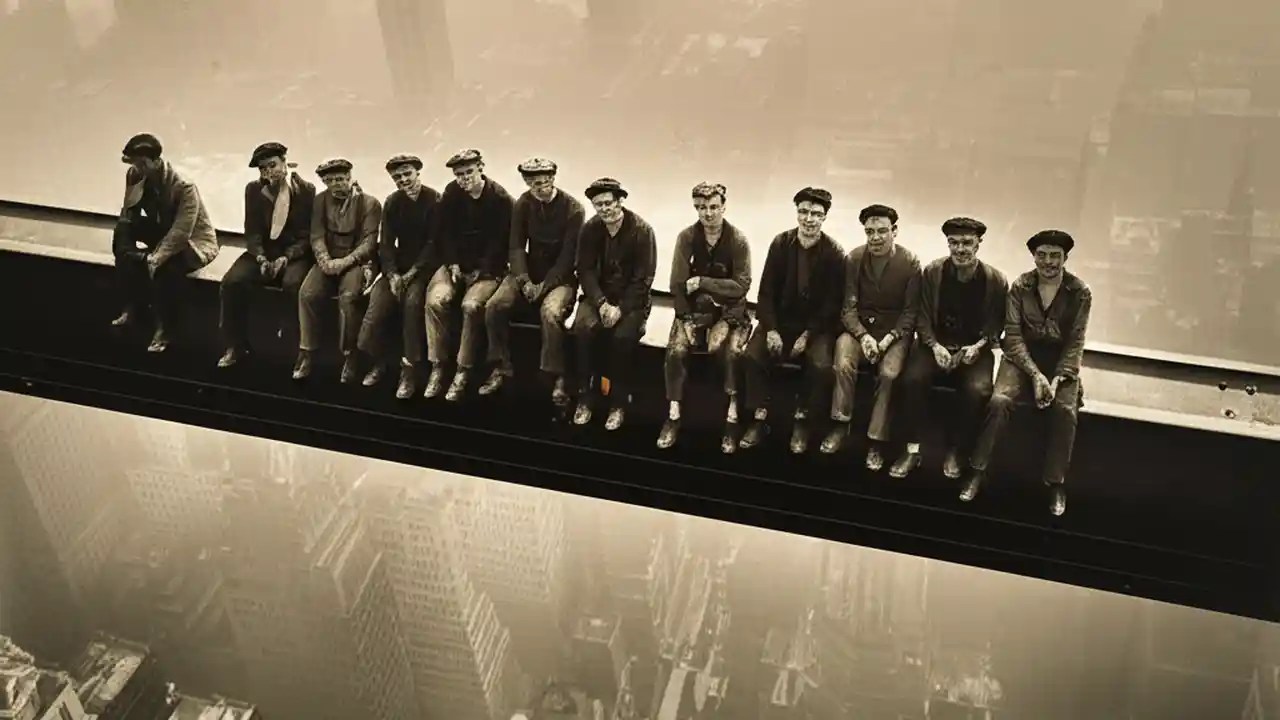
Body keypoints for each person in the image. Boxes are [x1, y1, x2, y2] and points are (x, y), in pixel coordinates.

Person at [963, 229, 1091, 516]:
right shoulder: (1020, 287)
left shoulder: (1080, 292)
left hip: (1059, 362)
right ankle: (977, 470)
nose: (1048, 262)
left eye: (1055, 256)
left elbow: (1076, 341)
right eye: (1042, 255)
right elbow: (1013, 337)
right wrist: (1035, 376)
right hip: (1021, 359)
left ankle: (1055, 482)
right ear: (1033, 257)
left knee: (1066, 410)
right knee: (999, 401)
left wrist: (1056, 379)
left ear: (1065, 258)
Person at [888, 217, 1007, 479]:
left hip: (973, 350)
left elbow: (996, 324)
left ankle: (956, 450)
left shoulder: (996, 280)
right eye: (954, 243)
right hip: (935, 346)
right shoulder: (932, 272)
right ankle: (912, 448)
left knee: (978, 390)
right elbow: (921, 316)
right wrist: (933, 346)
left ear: (979, 244)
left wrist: (977, 346)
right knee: (912, 379)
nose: (960, 249)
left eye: (967, 243)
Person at [738, 187, 844, 454]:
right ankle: (759, 417)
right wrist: (771, 329)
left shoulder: (834, 253)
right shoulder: (780, 243)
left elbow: (832, 304)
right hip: (779, 322)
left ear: (824, 218)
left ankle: (802, 419)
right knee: (752, 356)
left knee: (820, 365)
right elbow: (765, 292)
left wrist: (808, 335)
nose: (809, 219)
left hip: (814, 327)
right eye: (804, 212)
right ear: (797, 213)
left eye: (816, 214)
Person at [821, 204, 921, 469]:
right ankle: (841, 424)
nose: (875, 237)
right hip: (860, 330)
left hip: (894, 335)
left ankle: (876, 440)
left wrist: (889, 338)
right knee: (843, 359)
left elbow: (910, 313)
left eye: (882, 231)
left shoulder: (910, 263)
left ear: (894, 231)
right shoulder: (854, 259)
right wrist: (863, 335)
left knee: (889, 374)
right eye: (870, 232)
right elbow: (848, 307)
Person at [479, 157, 585, 403]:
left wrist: (544, 286)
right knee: (494, 306)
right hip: (527, 271)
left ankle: (555, 375)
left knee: (550, 312)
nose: (538, 188)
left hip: (561, 278)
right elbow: (516, 246)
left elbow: (568, 257)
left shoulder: (574, 209)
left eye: (542, 182)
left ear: (552, 179)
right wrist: (524, 279)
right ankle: (501, 367)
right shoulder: (524, 204)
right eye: (531, 183)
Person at [657, 182, 752, 453]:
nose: (707, 214)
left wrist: (701, 281)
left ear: (723, 206)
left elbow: (741, 286)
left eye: (713, 207)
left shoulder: (738, 240)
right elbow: (677, 284)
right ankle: (673, 414)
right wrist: (685, 318)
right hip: (695, 311)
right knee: (675, 351)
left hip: (732, 312)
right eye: (701, 208)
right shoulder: (686, 238)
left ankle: (732, 419)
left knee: (731, 353)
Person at [111, 132, 219, 352]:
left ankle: (165, 328)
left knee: (167, 269)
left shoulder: (184, 186)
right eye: (134, 164)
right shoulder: (135, 175)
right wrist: (126, 243)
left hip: (192, 243)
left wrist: (155, 258)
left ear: (157, 161)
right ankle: (132, 305)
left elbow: (181, 232)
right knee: (122, 234)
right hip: (161, 231)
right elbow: (128, 212)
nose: (138, 169)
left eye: (142, 164)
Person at [423, 148, 514, 401]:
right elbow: (444, 233)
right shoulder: (452, 193)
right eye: (459, 174)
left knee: (471, 306)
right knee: (435, 300)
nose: (464, 178)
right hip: (456, 265)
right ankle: (438, 365)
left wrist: (481, 271)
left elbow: (501, 243)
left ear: (481, 168)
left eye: (468, 172)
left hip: (488, 269)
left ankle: (463, 370)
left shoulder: (501, 199)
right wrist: (452, 264)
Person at [217, 142, 315, 368]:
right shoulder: (253, 190)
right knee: (232, 282)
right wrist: (260, 257)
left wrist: (286, 257)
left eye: (272, 165)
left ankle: (294, 347)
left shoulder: (306, 190)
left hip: (294, 254)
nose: (269, 172)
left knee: (293, 285)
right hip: (263, 252)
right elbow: (252, 231)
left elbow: (306, 235)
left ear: (284, 162)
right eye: (263, 169)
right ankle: (235, 344)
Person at [571, 177, 658, 430]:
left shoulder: (642, 231)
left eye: (609, 203)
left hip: (632, 302)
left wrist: (620, 308)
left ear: (620, 201)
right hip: (598, 298)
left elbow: (644, 279)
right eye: (598, 205)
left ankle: (618, 404)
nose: (604, 209)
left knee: (622, 339)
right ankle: (584, 398)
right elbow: (584, 270)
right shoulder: (590, 229)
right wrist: (600, 303)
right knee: (583, 330)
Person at [355, 154, 441, 399]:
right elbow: (387, 243)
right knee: (376, 308)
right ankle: (379, 360)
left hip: (424, 269)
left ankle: (409, 369)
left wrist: (412, 274)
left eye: (407, 174)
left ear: (417, 173)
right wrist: (392, 274)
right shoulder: (392, 202)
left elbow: (433, 243)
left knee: (413, 306)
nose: (403, 180)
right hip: (397, 269)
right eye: (397, 177)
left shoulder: (434, 200)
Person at [293, 158, 382, 382]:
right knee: (307, 294)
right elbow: (317, 235)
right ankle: (307, 351)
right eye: (331, 180)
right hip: (328, 259)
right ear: (324, 182)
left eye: (341, 179)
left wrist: (346, 261)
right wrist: (324, 260)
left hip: (355, 262)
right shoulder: (320, 201)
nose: (337, 184)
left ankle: (350, 355)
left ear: (350, 178)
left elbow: (370, 242)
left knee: (349, 298)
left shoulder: (370, 204)